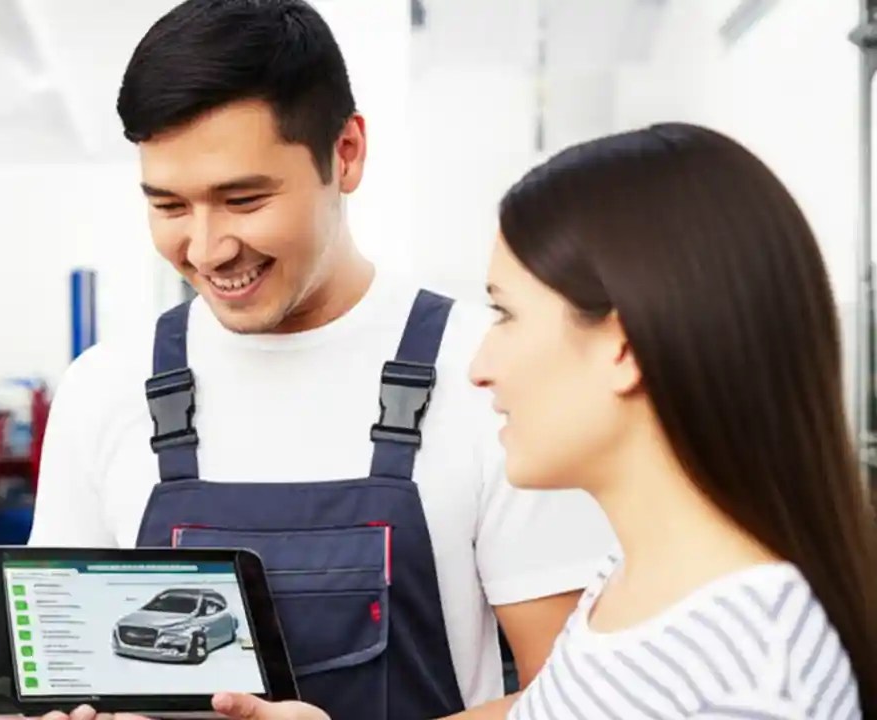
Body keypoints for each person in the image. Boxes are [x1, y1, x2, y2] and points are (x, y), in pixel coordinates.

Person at [84, 123, 877, 719]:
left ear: (623, 347)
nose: (478, 364)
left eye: (505, 316)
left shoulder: (746, 670)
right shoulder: (633, 592)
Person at [0, 0, 614, 718]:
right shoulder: (105, 389)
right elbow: (74, 677)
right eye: (170, 206)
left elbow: (575, 701)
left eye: (243, 199)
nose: (208, 249)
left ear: (346, 154)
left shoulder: (489, 373)